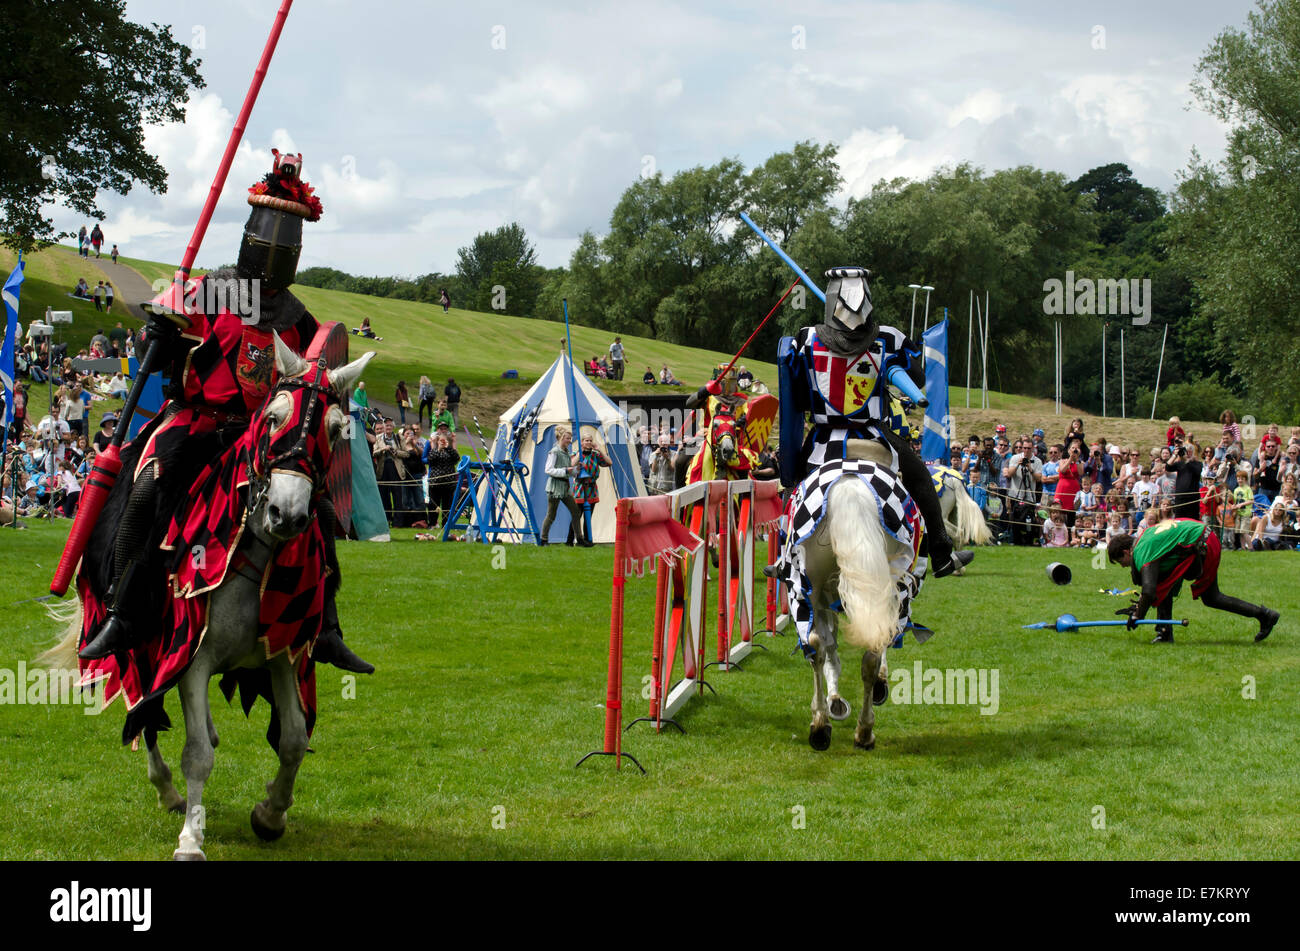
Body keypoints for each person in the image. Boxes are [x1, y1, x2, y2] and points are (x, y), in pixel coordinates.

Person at [75, 149, 370, 674]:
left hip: (260, 440)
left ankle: (326, 627)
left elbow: (311, 389)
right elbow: (161, 353)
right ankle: (122, 611)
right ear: (251, 235)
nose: (278, 248)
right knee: (147, 490)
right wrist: (159, 334)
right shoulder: (206, 291)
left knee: (319, 510)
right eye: (271, 235)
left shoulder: (300, 322)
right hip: (197, 424)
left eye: (289, 240)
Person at [771, 266, 970, 580]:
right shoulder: (888, 337)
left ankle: (785, 556)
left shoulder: (806, 338)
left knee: (796, 484)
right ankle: (942, 554)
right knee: (918, 478)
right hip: (874, 435)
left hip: (824, 439)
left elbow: (795, 386)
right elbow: (918, 376)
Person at [1108, 521, 1278, 644]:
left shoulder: (1142, 551)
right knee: (1163, 584)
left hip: (1203, 543)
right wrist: (1141, 607)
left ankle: (1265, 615)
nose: (1123, 566)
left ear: (1126, 552)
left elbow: (1149, 590)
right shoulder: (1144, 537)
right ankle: (1164, 633)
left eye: (1120, 561)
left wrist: (1138, 615)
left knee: (1212, 597)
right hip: (1201, 537)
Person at [538, 427, 582, 546]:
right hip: (554, 487)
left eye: (570, 438)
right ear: (561, 438)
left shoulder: (567, 452)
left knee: (576, 512)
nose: (569, 440)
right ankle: (543, 539)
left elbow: (569, 471)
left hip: (565, 487)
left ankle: (580, 539)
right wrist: (565, 470)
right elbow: (548, 470)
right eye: (567, 438)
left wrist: (576, 469)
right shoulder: (554, 452)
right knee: (551, 515)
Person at [571, 432, 610, 545]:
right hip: (580, 488)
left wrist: (600, 449)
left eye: (590, 440)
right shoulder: (576, 453)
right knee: (577, 515)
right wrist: (580, 453)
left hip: (591, 488)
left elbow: (609, 462)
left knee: (588, 515)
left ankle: (587, 540)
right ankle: (571, 540)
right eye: (586, 440)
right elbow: (571, 464)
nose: (588, 443)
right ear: (582, 442)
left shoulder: (595, 455)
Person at [424, 423, 459, 529]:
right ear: (438, 441)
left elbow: (456, 458)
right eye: (441, 441)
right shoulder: (434, 450)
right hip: (435, 483)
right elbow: (429, 460)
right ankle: (432, 523)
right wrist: (438, 448)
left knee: (447, 505)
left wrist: (448, 447)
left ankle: (446, 524)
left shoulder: (450, 451)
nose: (443, 442)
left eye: (445, 441)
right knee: (433, 504)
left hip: (448, 483)